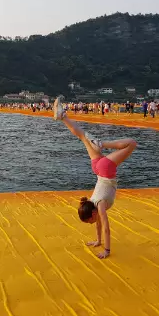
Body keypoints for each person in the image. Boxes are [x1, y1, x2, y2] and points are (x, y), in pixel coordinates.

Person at [53, 97, 137, 259]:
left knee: (132, 143)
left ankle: (103, 143)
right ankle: (63, 117)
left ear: (92, 214)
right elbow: (99, 224)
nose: (93, 223)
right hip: (98, 169)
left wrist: (107, 250)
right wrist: (97, 241)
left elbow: (105, 227)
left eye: (90, 221)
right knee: (83, 136)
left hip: (105, 169)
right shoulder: (93, 203)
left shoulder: (100, 205)